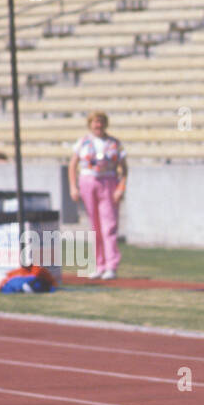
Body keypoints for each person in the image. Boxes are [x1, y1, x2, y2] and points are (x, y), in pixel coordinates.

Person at [68, 110, 127, 280]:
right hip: (88, 181)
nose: (98, 125)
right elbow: (73, 165)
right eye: (95, 122)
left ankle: (111, 265)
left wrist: (121, 187)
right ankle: (98, 264)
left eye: (101, 121)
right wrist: (73, 187)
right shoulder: (83, 142)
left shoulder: (114, 143)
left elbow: (123, 168)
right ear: (90, 124)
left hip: (108, 182)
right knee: (94, 225)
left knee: (109, 225)